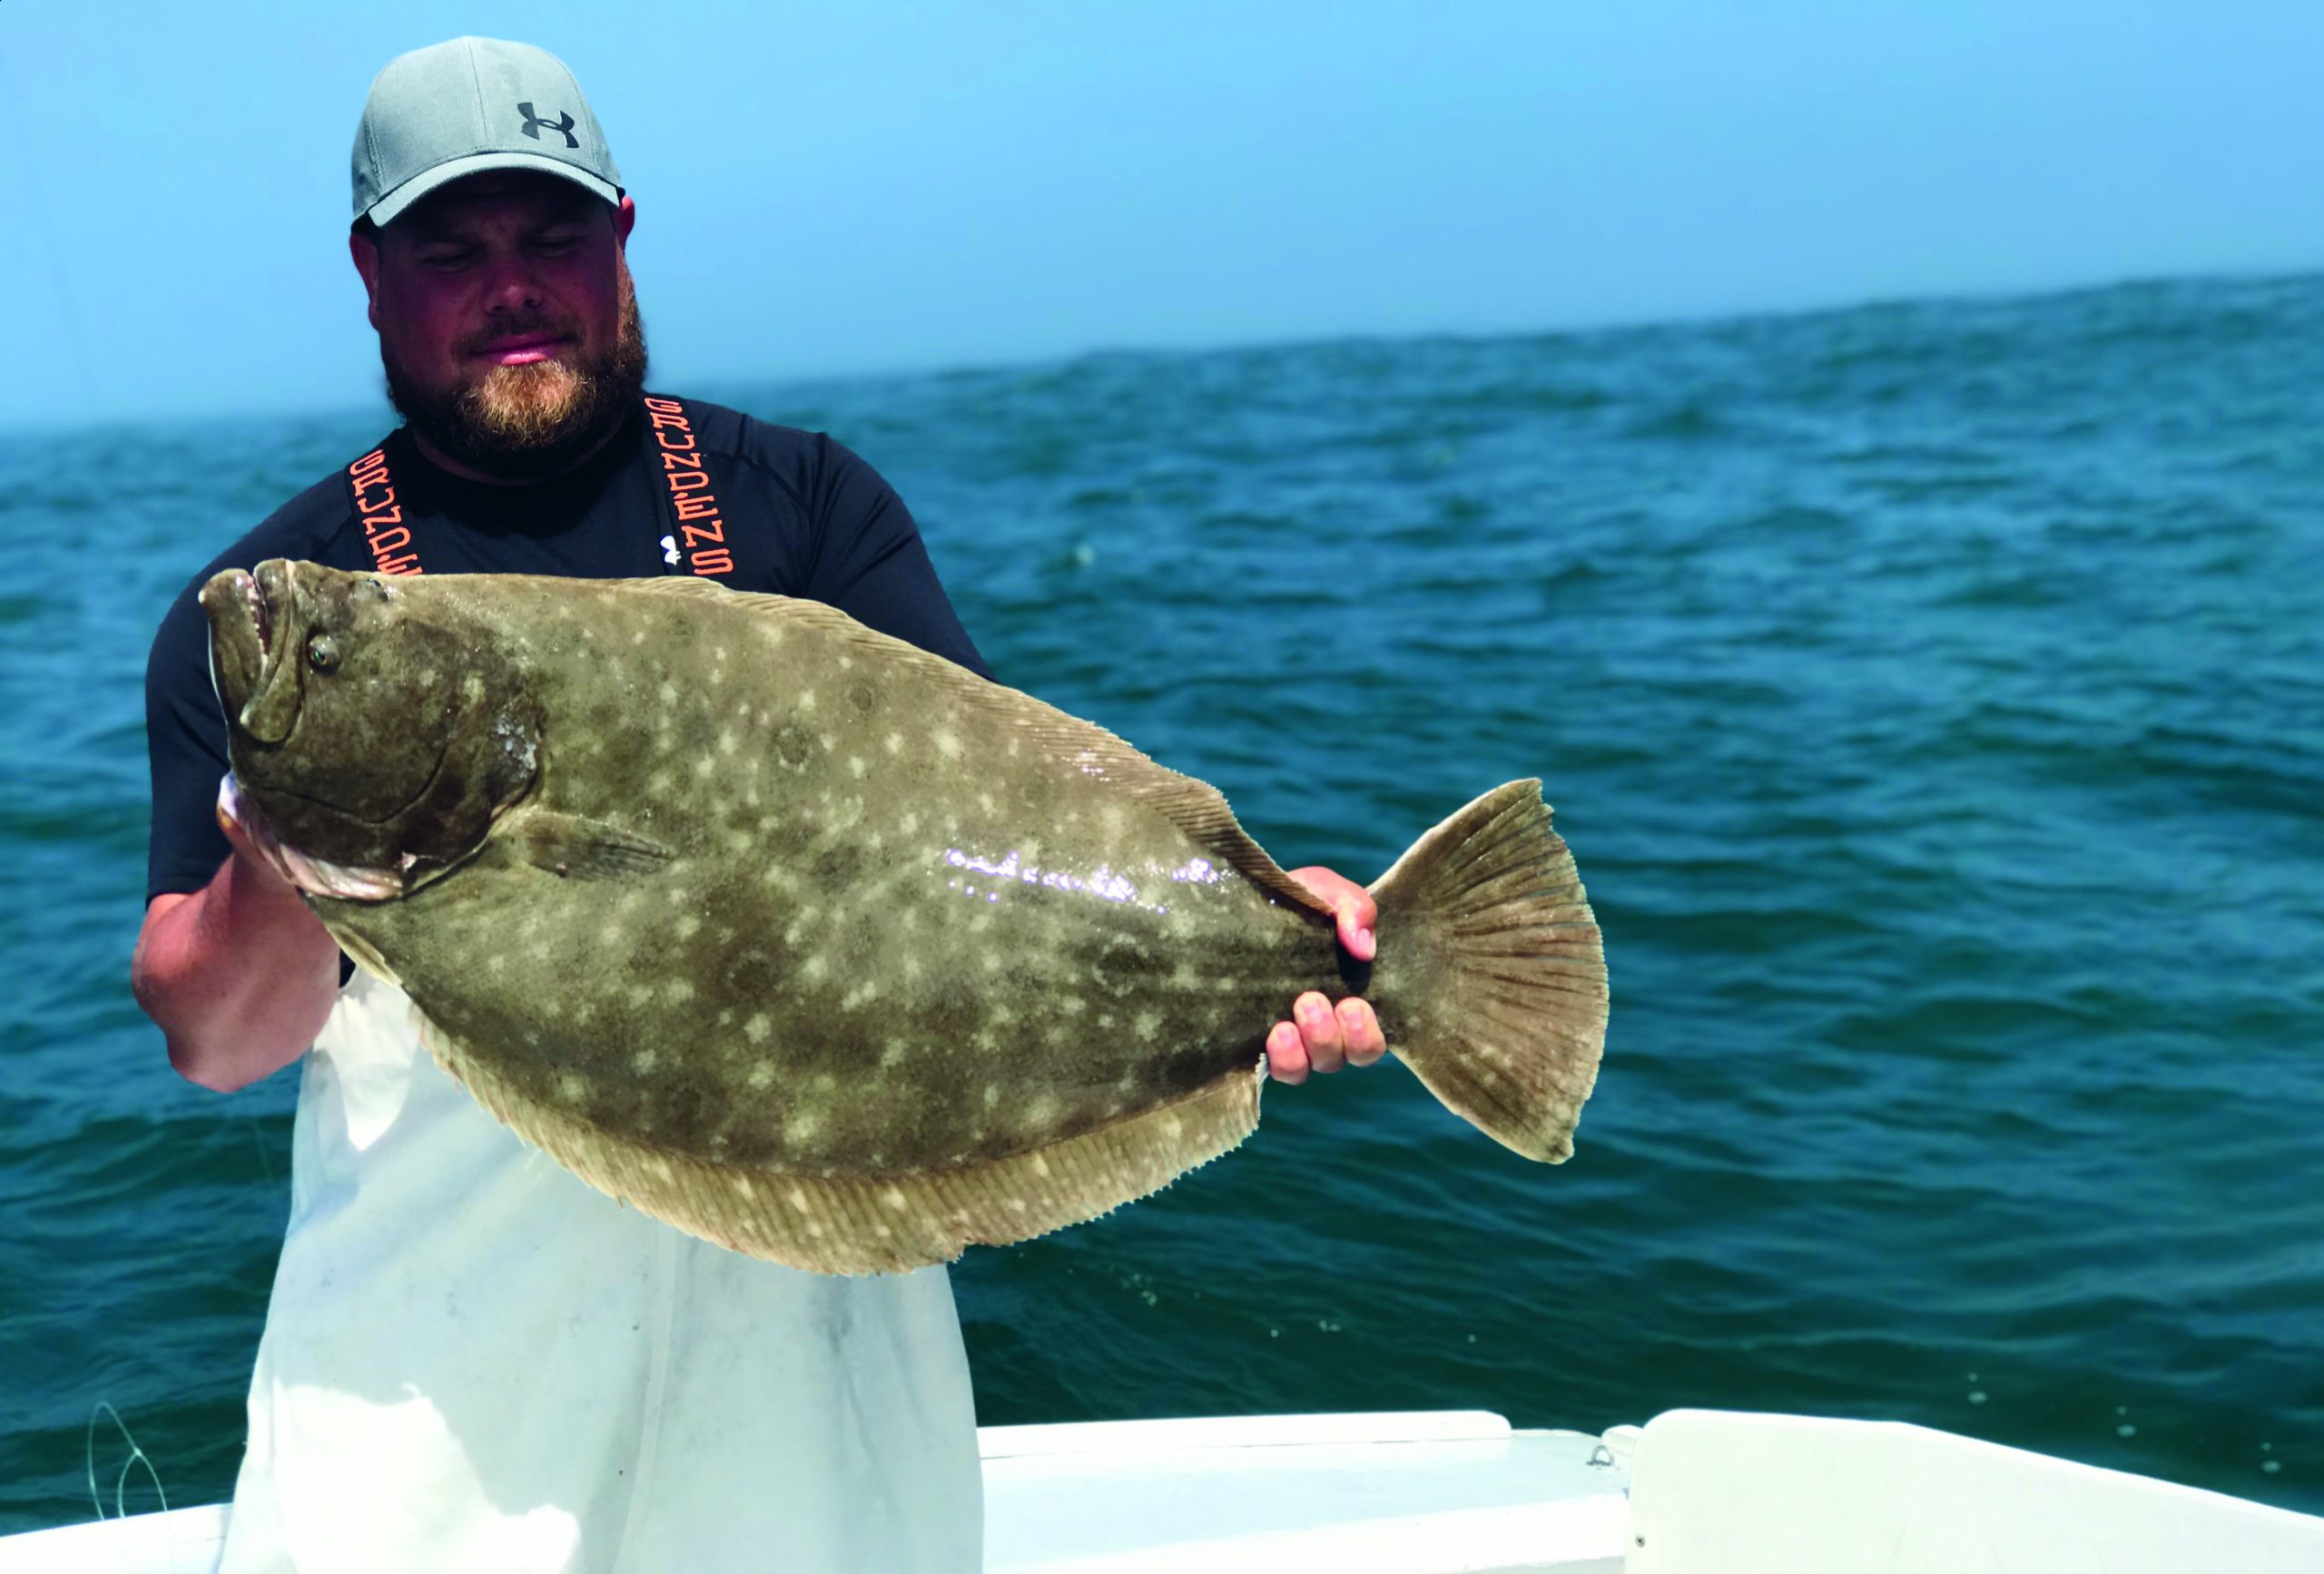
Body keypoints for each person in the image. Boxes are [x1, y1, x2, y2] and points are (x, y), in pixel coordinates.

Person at [131, 35, 1385, 1574]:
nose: (511, 285)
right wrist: (288, 834)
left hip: (810, 1388)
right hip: (433, 1415)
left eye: (553, 237)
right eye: (453, 251)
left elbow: (991, 851)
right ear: (371, 277)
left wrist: (1259, 924)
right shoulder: (271, 604)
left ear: (625, 239)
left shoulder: (803, 506)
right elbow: (217, 1041)